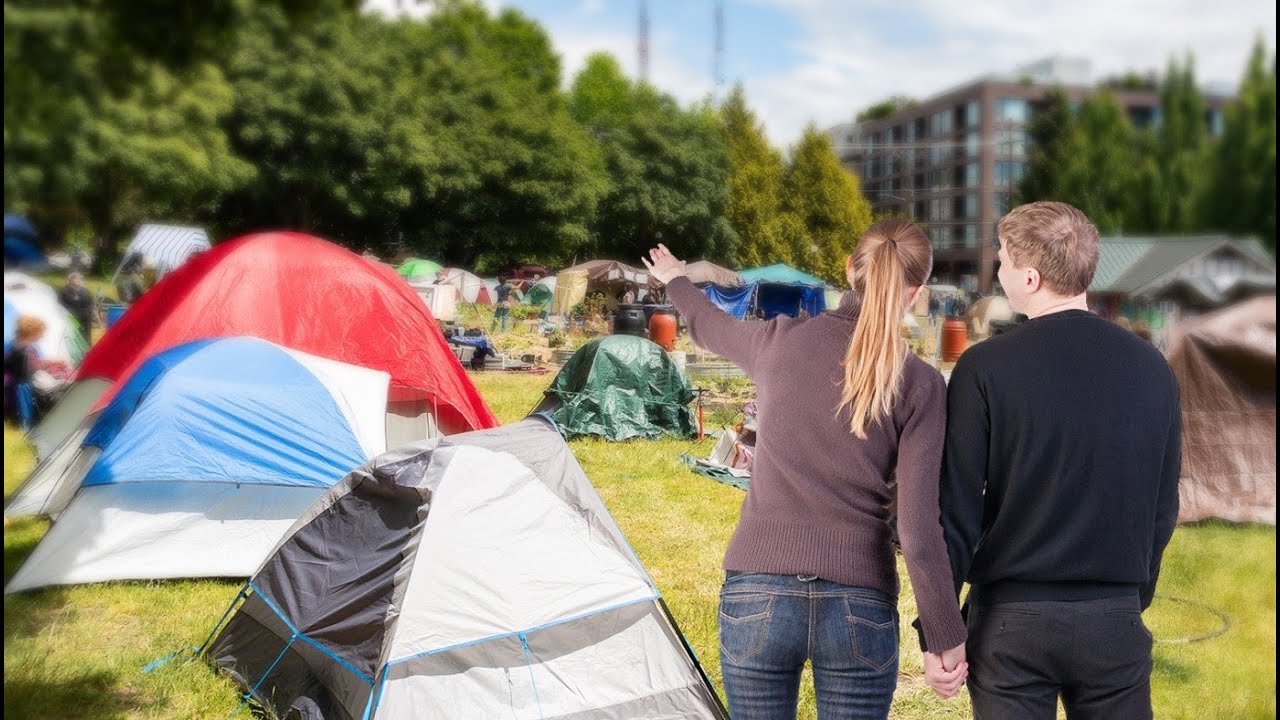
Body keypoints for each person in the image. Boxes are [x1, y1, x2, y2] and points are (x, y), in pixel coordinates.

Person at [643, 219, 967, 719]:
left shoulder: (777, 340)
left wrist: (676, 279)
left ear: (848, 269)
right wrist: (944, 639)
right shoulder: (920, 383)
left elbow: (708, 325)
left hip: (757, 590)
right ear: (916, 292)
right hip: (861, 601)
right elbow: (919, 530)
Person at [940, 201, 1181, 720]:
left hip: (1010, 620)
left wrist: (939, 631)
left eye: (1001, 259)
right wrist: (1128, 601)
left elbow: (956, 515)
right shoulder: (1154, 369)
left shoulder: (982, 368)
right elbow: (1163, 509)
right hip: (1113, 619)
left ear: (1030, 277)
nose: (997, 270)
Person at [4, 316, 47, 428]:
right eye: (40, 332)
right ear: (32, 331)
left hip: (14, 385)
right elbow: (32, 368)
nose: (41, 335)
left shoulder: (15, 344)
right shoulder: (24, 348)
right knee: (23, 417)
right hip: (19, 387)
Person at [58, 272, 95, 346]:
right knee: (74, 334)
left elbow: (91, 303)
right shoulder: (64, 291)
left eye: (79, 279)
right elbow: (60, 305)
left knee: (86, 335)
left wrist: (92, 314)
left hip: (86, 317)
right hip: (72, 317)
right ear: (70, 280)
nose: (78, 280)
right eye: (76, 278)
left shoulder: (85, 290)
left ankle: (86, 347)